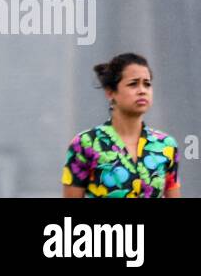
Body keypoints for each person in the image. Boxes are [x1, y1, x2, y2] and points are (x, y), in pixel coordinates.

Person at [62, 52, 181, 198]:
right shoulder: (85, 143)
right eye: (133, 84)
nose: (142, 91)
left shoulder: (166, 145)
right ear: (110, 92)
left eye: (147, 84)